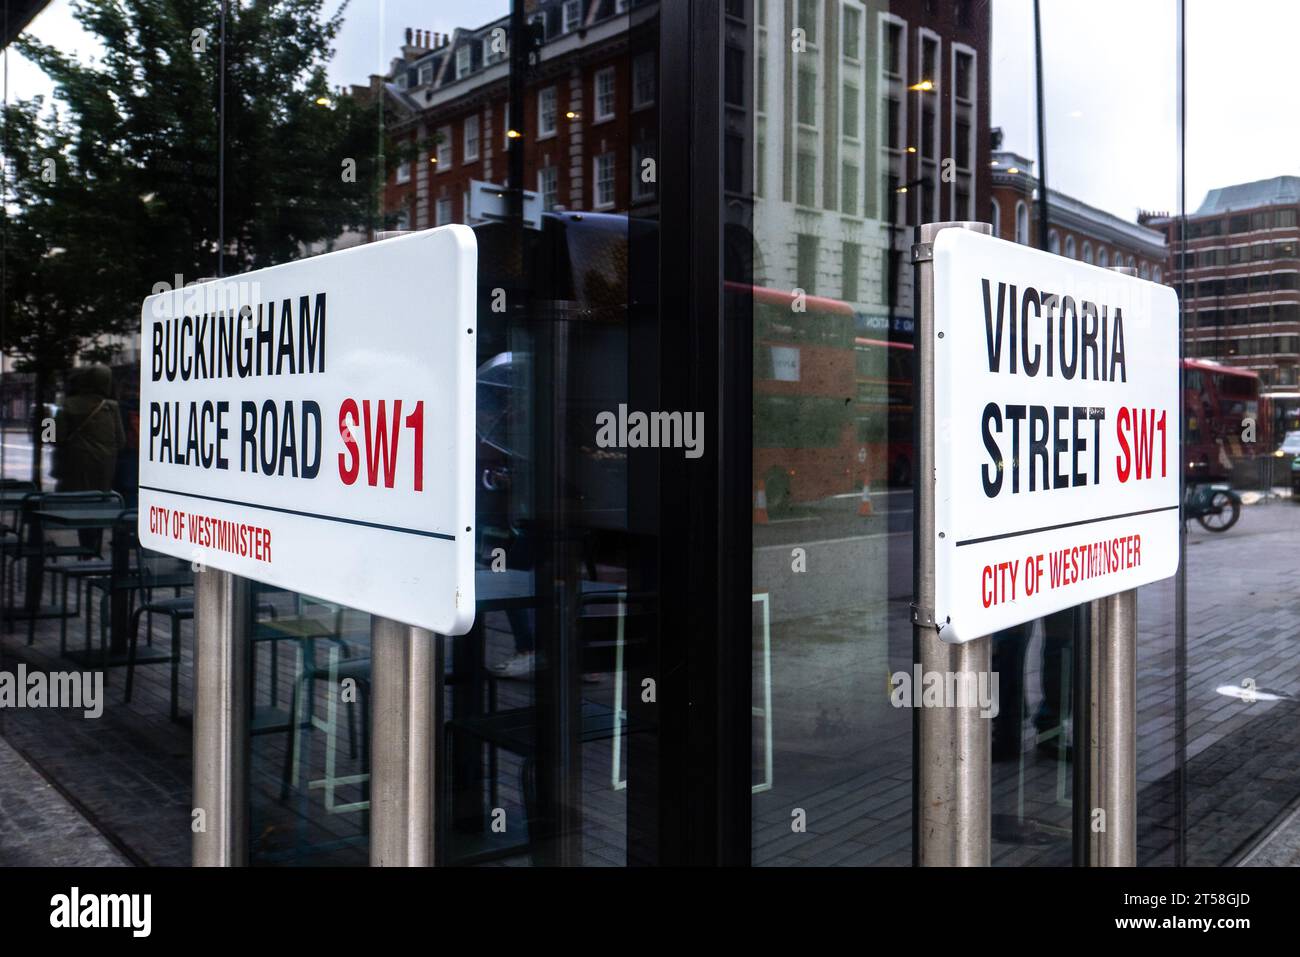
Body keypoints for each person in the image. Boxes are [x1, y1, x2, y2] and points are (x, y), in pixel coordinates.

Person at [52, 364, 126, 552]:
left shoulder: (69, 404)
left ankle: (85, 547)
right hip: (105, 465)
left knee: (82, 502)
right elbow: (121, 440)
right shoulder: (111, 407)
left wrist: (47, 419)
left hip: (77, 463)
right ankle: (95, 547)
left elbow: (54, 437)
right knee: (100, 501)